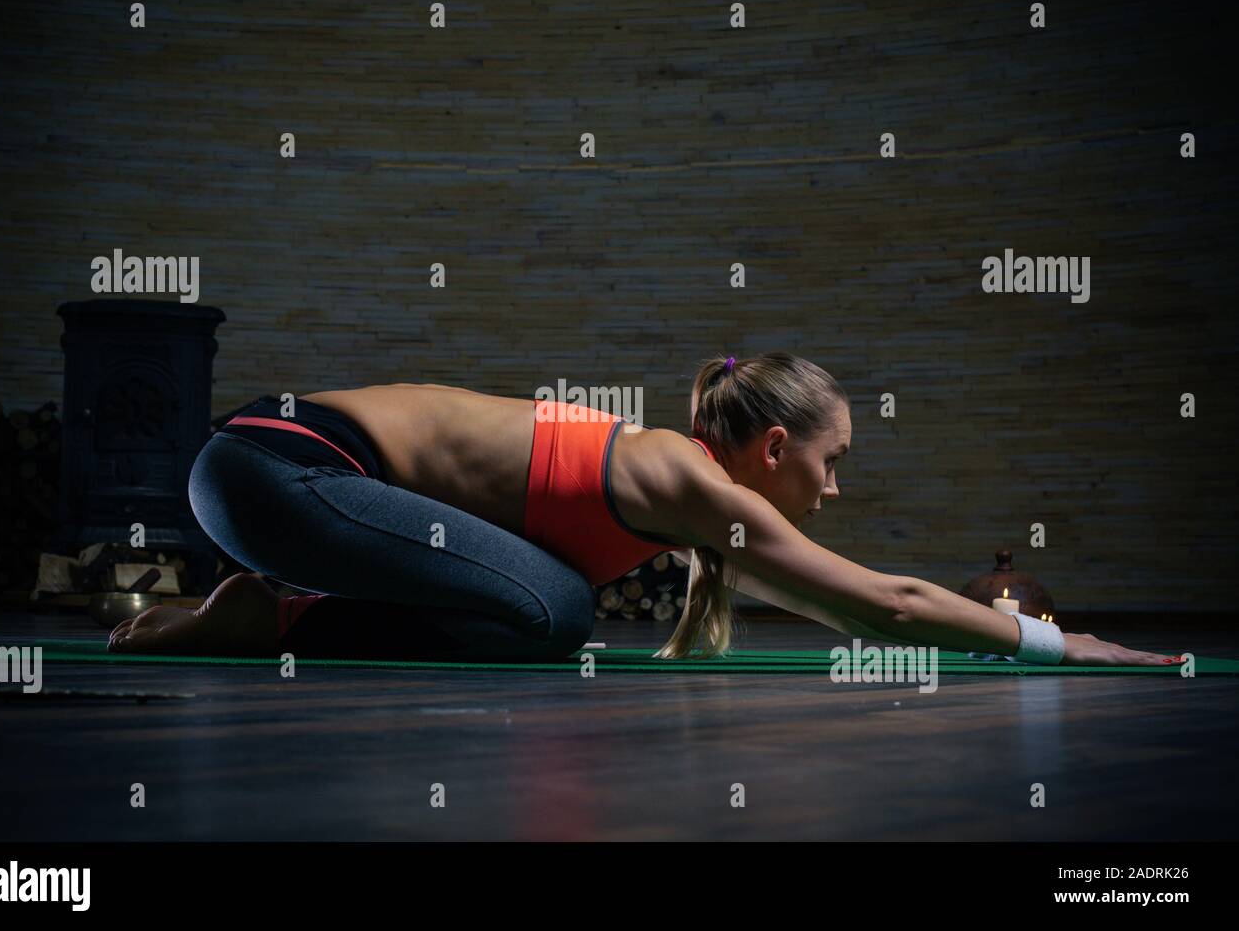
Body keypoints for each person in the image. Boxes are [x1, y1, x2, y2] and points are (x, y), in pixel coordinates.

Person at [107, 352, 1181, 666]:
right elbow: (883, 604)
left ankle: (266, 616)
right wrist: (1049, 643)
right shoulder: (682, 479)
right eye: (832, 460)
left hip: (270, 480)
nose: (835, 487)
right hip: (267, 467)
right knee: (555, 609)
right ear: (771, 449)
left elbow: (836, 604)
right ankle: (269, 615)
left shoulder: (689, 500)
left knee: (543, 603)